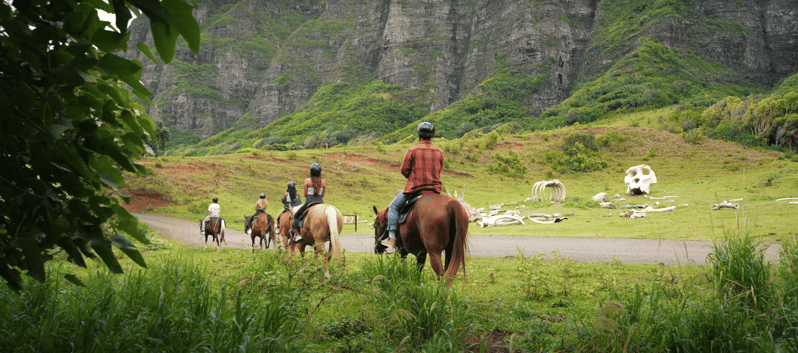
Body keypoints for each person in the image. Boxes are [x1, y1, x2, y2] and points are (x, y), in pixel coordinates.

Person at [380, 122, 443, 248]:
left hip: (415, 190)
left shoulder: (412, 150)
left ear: (419, 135)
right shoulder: (439, 151)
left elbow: (404, 170)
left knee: (393, 207)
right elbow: (439, 170)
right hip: (434, 191)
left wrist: (413, 177)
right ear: (432, 135)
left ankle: (391, 238)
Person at [291, 163, 326, 242]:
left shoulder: (307, 181)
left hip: (309, 202)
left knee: (296, 216)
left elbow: (305, 194)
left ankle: (297, 235)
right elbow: (323, 195)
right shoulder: (323, 181)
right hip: (320, 202)